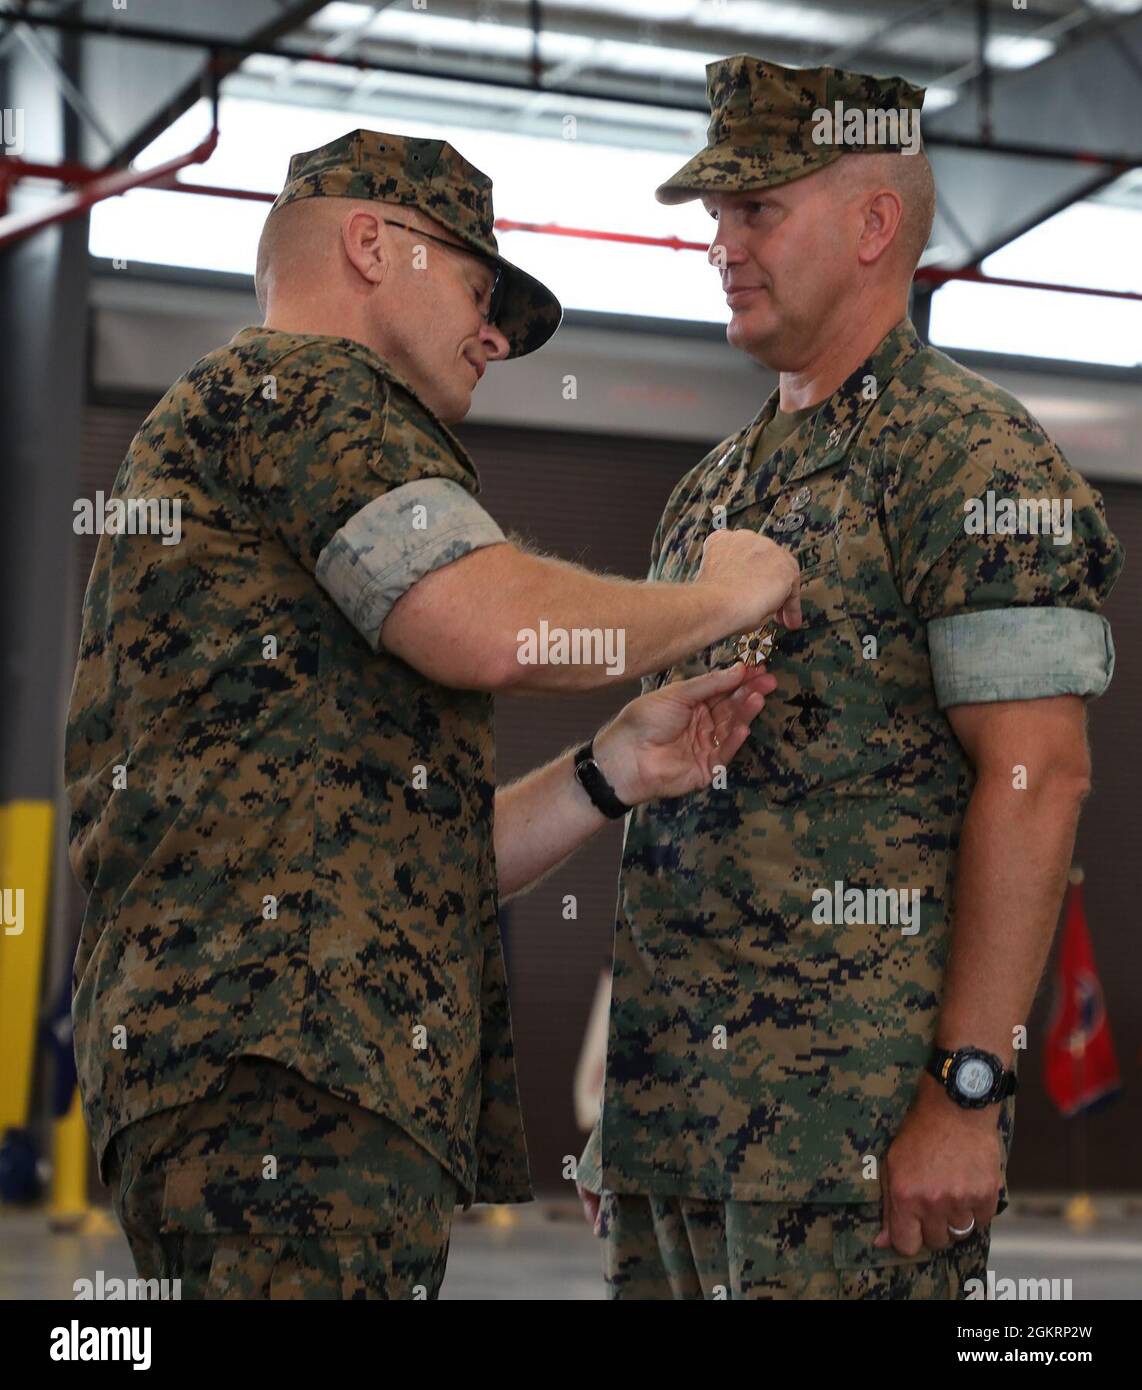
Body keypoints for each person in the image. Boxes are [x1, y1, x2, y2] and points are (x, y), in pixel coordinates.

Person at [64, 128, 801, 1299]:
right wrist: (722, 595)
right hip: (288, 1081)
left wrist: (604, 773)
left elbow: (408, 865)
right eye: (478, 286)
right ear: (370, 244)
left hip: (280, 1072)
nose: (497, 335)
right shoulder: (305, 388)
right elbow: (490, 620)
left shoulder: (255, 437)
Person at [576, 56, 1124, 1300]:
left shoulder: (972, 459)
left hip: (855, 1160)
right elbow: (674, 815)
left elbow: (1038, 780)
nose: (720, 242)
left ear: (875, 223)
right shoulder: (709, 490)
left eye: (754, 208)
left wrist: (965, 1093)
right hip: (674, 1142)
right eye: (714, 214)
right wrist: (631, 1105)